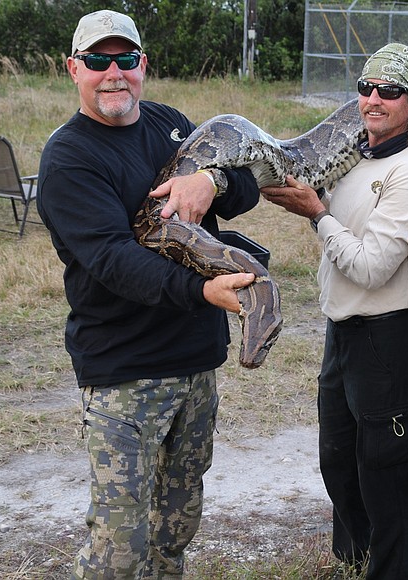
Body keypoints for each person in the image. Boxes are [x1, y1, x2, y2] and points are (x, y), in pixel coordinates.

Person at [36, 10, 260, 578]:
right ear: (74, 69)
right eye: (97, 60)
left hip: (195, 363)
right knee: (120, 542)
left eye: (126, 59)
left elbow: (249, 184)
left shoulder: (173, 125)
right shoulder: (69, 157)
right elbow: (113, 260)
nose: (114, 73)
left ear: (143, 65)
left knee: (176, 527)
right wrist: (203, 290)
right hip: (123, 372)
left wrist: (210, 180)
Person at [259, 43, 408, 579]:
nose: (373, 99)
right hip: (342, 330)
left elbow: (370, 267)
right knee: (337, 457)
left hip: (386, 336)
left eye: (389, 92)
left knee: (386, 466)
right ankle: (355, 554)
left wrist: (318, 214)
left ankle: (395, 568)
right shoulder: (357, 158)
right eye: (365, 88)